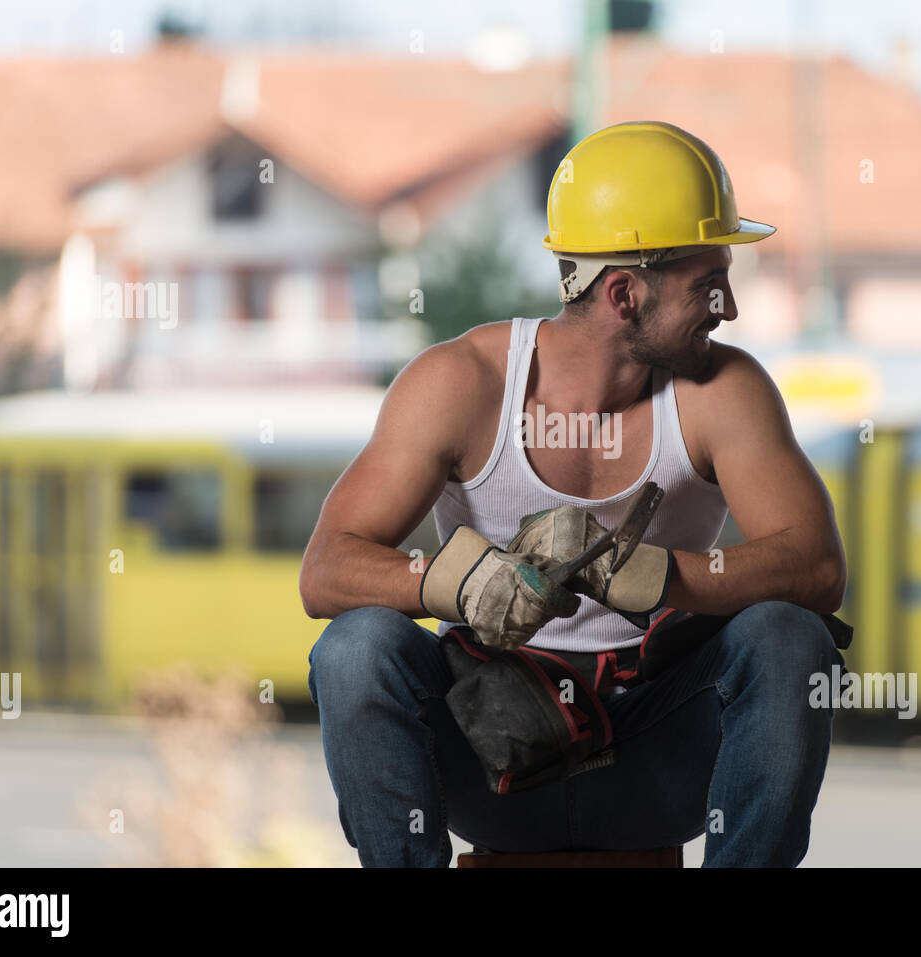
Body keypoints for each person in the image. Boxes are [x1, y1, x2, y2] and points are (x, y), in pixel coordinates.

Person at [299, 120, 847, 867]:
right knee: (356, 646)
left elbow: (817, 568)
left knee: (790, 636)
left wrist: (663, 575)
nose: (728, 307)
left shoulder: (725, 389)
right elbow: (325, 570)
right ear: (624, 292)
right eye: (707, 284)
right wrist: (457, 582)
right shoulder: (462, 384)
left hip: (653, 753)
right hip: (496, 747)